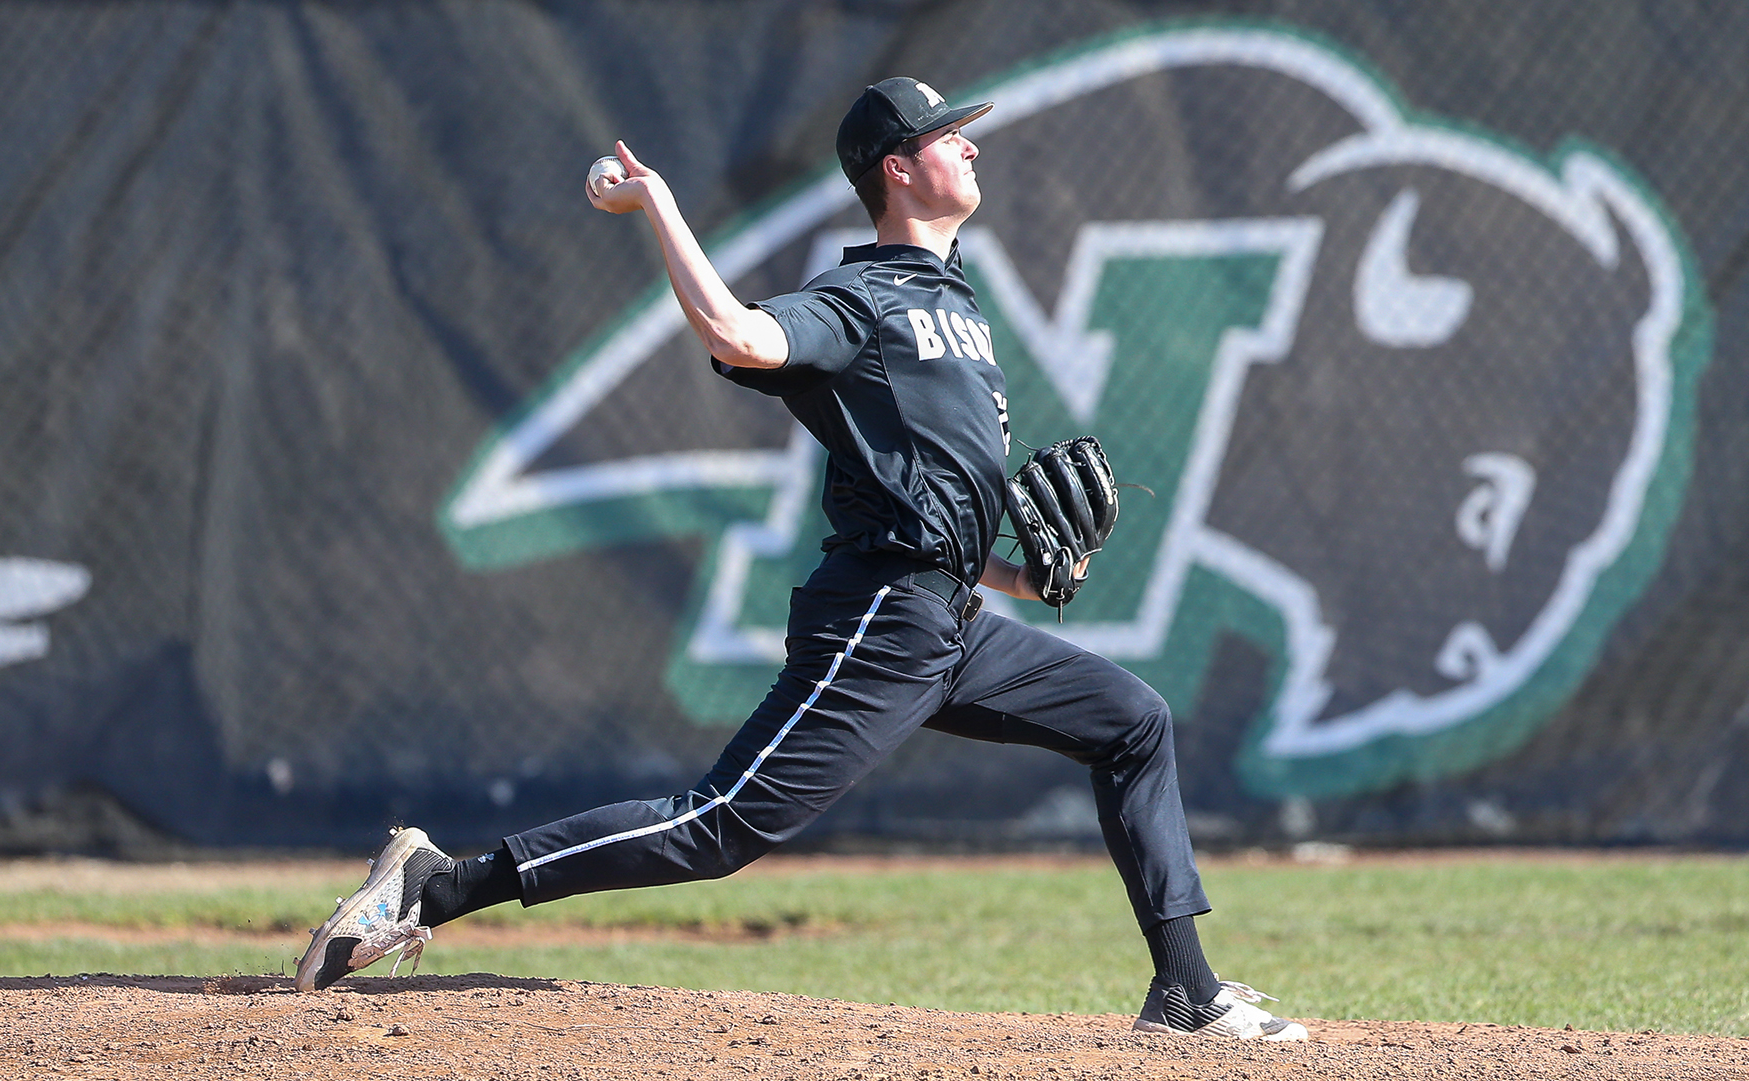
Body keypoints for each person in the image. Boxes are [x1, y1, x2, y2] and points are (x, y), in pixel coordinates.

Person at [295, 77, 1307, 1042]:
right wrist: (659, 205)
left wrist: (1019, 575)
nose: (972, 141)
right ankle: (439, 883)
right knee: (718, 826)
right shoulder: (861, 296)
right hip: (879, 619)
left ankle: (1186, 989)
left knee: (1133, 721)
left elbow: (926, 505)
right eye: (949, 132)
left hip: (947, 617)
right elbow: (738, 335)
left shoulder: (957, 303)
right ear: (896, 168)